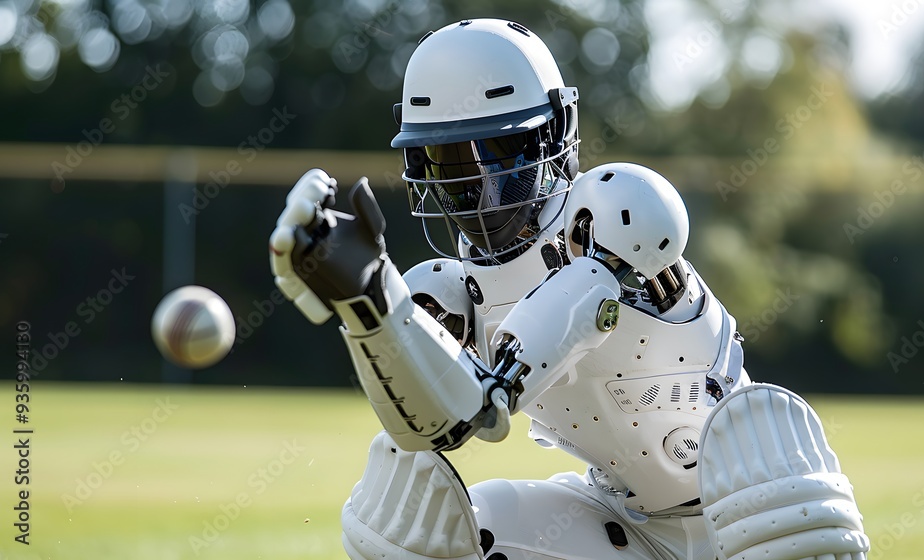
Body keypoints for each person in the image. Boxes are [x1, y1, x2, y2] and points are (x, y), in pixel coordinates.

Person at [269, 18, 870, 560]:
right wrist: (368, 305)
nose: (479, 188)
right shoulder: (454, 287)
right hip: (624, 522)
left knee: (776, 479)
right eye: (451, 161)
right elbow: (430, 429)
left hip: (743, 500)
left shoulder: (617, 206)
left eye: (500, 151)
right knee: (399, 528)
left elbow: (541, 342)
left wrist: (483, 373)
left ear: (554, 134)